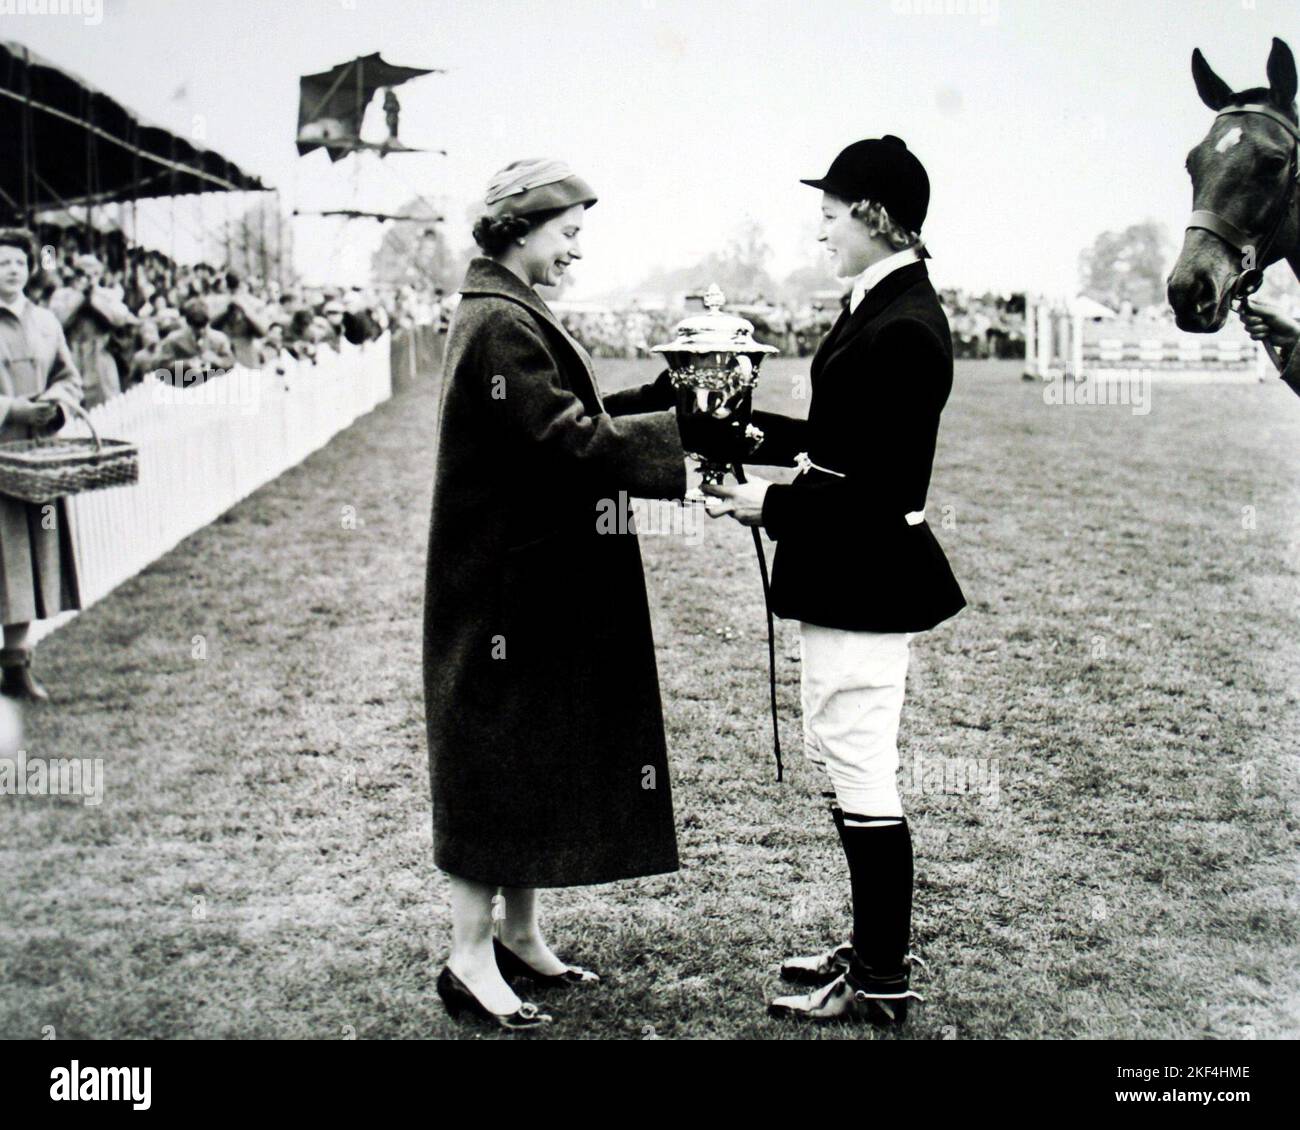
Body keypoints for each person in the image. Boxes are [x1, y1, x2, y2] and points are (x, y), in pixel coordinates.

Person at [704, 137, 966, 1025]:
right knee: (846, 756)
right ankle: (873, 943)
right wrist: (736, 431)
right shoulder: (878, 307)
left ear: (876, 217)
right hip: (845, 576)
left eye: (830, 214)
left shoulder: (906, 327)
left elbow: (879, 492)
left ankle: (883, 977)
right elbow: (832, 443)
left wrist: (765, 509)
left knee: (860, 766)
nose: (819, 230)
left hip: (867, 576)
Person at [423, 158, 685, 1031]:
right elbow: (565, 440)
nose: (577, 248)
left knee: (526, 754)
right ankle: (468, 954)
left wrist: (672, 396)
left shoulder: (509, 309)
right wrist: (681, 440)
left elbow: (575, 411)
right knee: (492, 760)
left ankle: (520, 936)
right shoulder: (499, 320)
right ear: (523, 229)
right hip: (503, 591)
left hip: (527, 581)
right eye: (568, 232)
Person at [0, 229, 84, 701]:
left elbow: (68, 378)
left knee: (24, 560)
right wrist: (11, 409)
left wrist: (53, 405)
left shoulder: (47, 321)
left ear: (31, 267)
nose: (11, 269)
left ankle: (15, 667)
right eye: (2, 262)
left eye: (18, 261)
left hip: (34, 459)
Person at [153, 298, 235, 385]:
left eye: (204, 325)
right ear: (188, 324)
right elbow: (160, 366)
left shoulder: (219, 339)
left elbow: (230, 362)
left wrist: (216, 360)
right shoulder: (174, 339)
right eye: (196, 327)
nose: (201, 331)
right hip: (183, 387)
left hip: (212, 386)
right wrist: (186, 364)